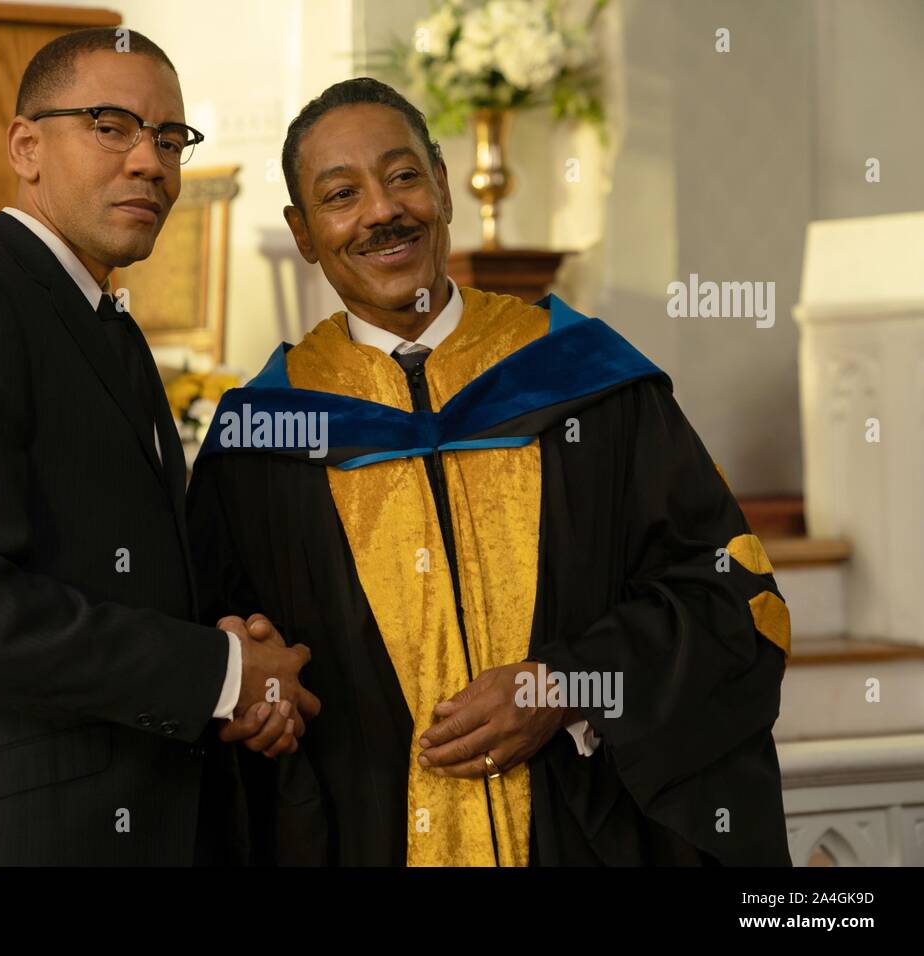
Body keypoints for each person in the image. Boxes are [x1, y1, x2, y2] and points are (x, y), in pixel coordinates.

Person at [187, 78, 792, 866]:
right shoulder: (262, 438)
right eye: (341, 195)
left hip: (581, 831)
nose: (381, 211)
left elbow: (731, 598)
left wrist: (567, 685)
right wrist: (245, 688)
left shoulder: (586, 382)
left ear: (442, 184)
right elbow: (207, 646)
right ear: (304, 232)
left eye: (403, 176)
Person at [0, 28, 317, 866]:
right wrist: (219, 671)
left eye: (170, 138)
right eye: (111, 125)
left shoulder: (112, 328)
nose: (151, 162)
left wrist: (236, 659)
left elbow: (121, 571)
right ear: (25, 146)